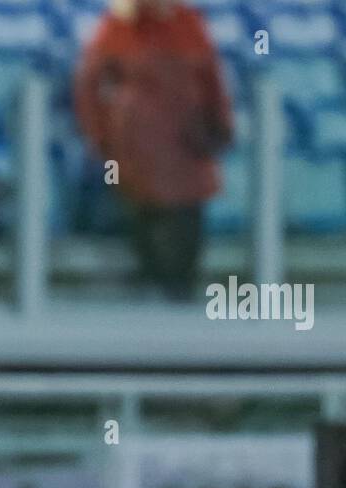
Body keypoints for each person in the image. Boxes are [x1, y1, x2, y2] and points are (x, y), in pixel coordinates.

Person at [73, 0, 233, 301]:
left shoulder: (188, 22)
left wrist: (220, 124)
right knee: (146, 215)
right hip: (138, 144)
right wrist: (100, 134)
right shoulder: (119, 25)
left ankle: (179, 290)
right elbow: (89, 85)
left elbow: (211, 78)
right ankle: (156, 289)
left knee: (187, 218)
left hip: (187, 139)